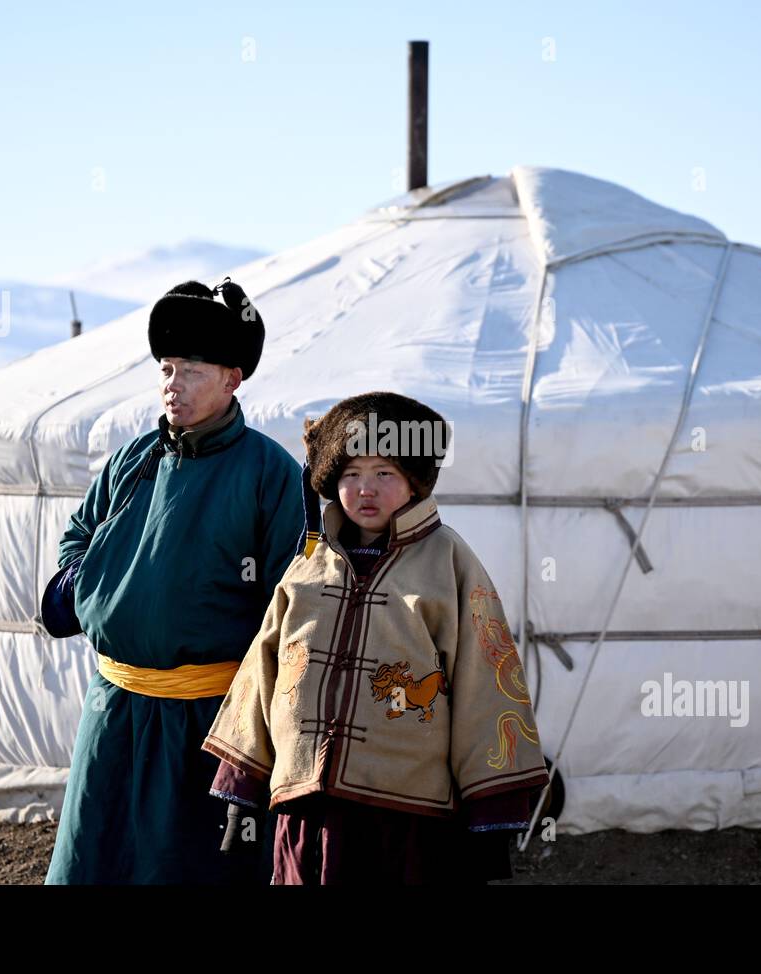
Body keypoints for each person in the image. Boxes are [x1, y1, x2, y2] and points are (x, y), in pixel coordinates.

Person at [202, 391, 551, 884]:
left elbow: (486, 681)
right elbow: (263, 671)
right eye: (351, 475)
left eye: (384, 474)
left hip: (406, 814)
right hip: (306, 805)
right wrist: (242, 781)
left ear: (413, 483)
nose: (366, 490)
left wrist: (489, 814)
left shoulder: (449, 563)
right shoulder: (307, 566)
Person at [40, 278, 304, 884]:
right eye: (165, 369)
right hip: (115, 710)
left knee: (190, 868)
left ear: (232, 378)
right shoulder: (134, 459)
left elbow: (287, 601)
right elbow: (77, 538)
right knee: (96, 858)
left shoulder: (270, 474)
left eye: (191, 370)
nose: (172, 384)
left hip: (208, 721)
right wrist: (97, 590)